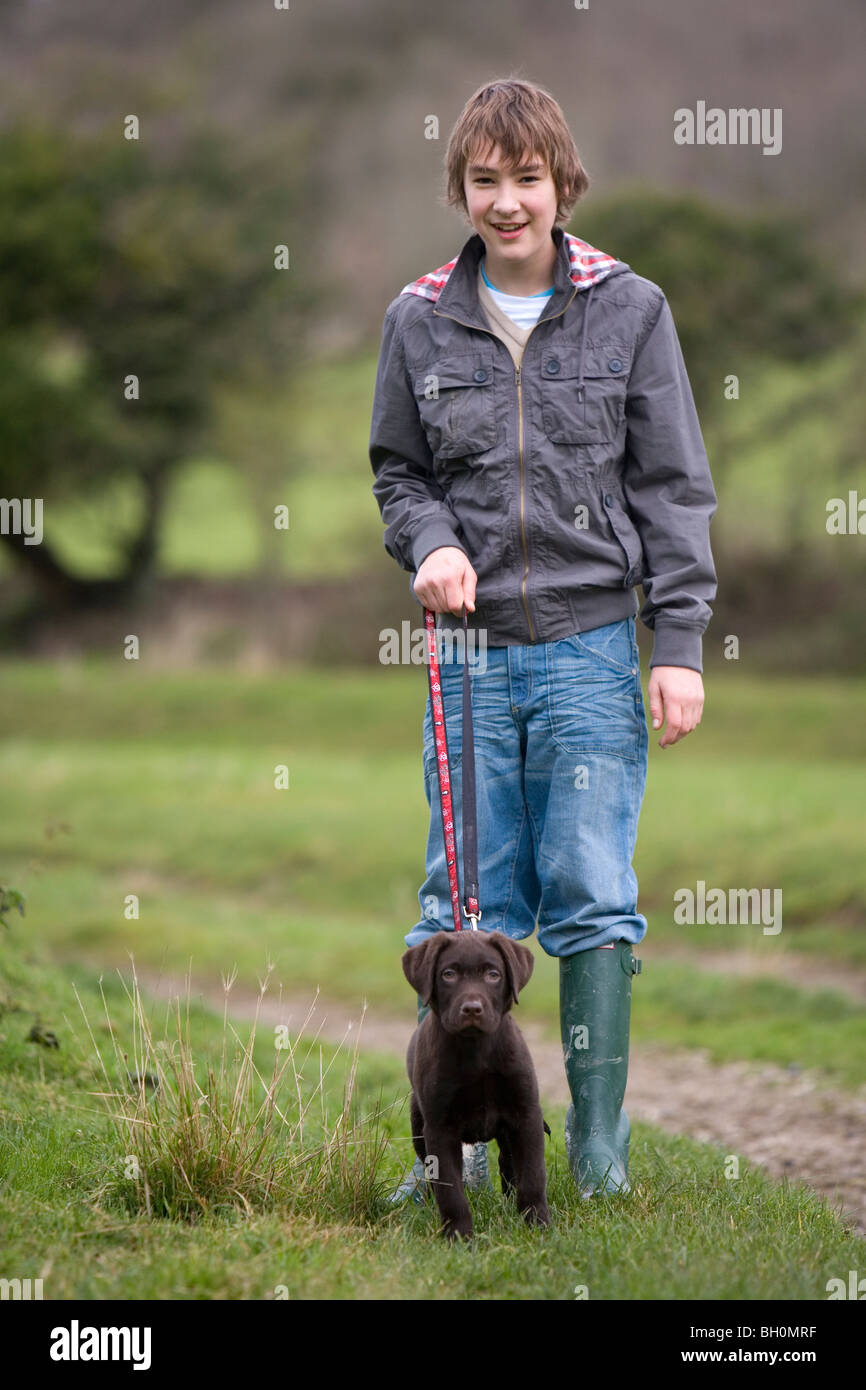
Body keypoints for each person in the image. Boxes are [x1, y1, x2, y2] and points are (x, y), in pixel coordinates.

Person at [368, 77, 717, 1205]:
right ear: (460, 190)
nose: (507, 201)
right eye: (485, 180)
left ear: (563, 183)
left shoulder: (632, 308)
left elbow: (671, 487)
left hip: (590, 647)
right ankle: (448, 1161)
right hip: (466, 656)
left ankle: (597, 1155)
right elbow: (398, 472)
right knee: (464, 902)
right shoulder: (417, 315)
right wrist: (429, 542)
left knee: (591, 889)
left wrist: (677, 641)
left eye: (527, 178)